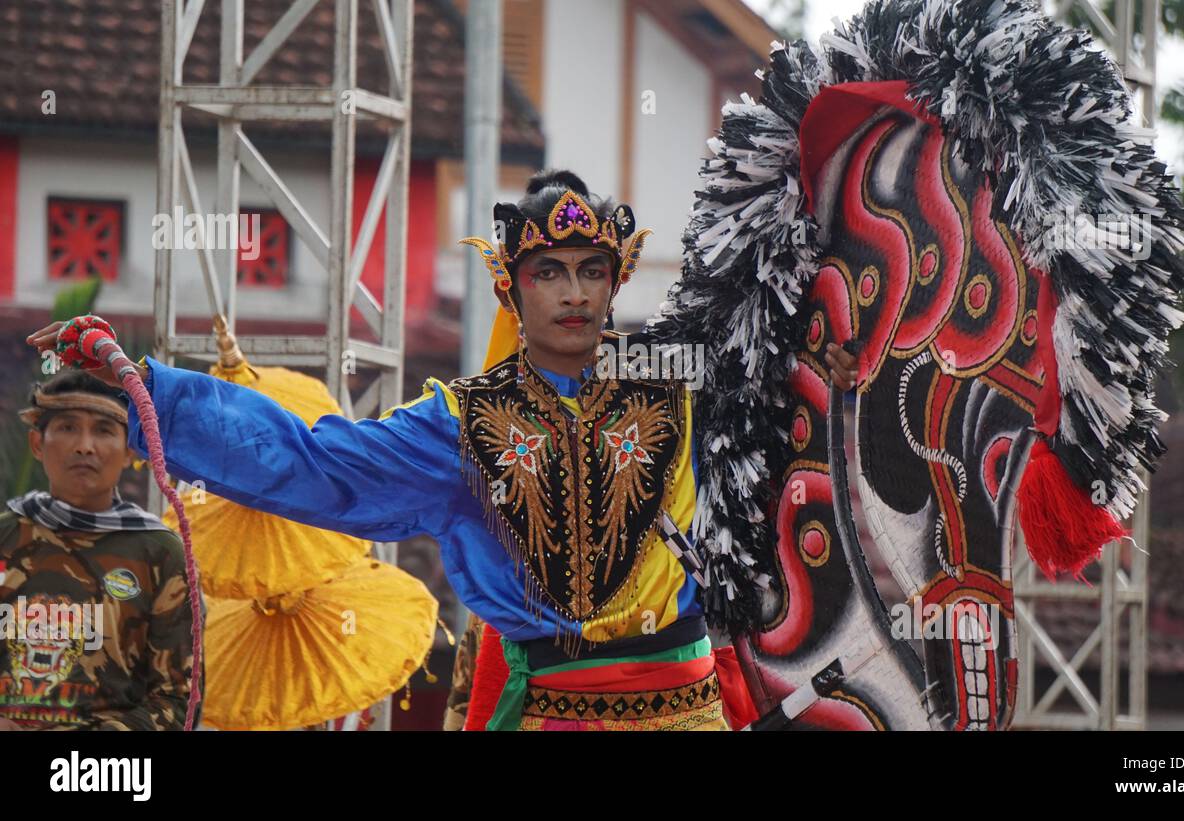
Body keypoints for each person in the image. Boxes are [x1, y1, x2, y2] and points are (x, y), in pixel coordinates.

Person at [26, 169, 859, 730]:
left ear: (617, 279)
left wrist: (832, 352)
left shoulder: (682, 376)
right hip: (554, 713)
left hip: (688, 709)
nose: (573, 291)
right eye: (547, 272)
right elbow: (313, 462)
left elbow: (800, 375)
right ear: (511, 285)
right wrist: (147, 394)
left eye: (591, 270)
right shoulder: (463, 423)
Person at [0, 369, 199, 730]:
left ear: (129, 451)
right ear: (36, 444)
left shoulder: (161, 554)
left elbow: (179, 698)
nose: (84, 446)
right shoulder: (5, 536)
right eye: (67, 427)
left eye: (104, 430)